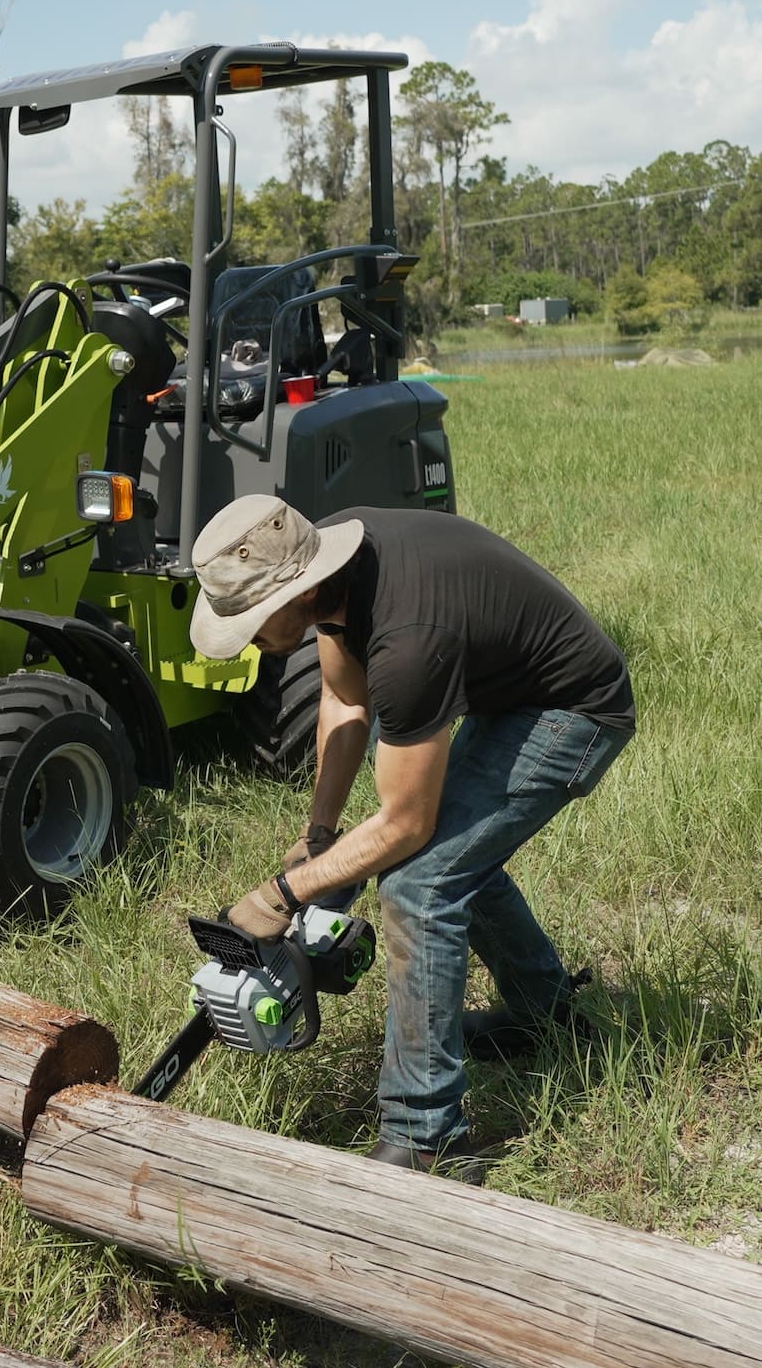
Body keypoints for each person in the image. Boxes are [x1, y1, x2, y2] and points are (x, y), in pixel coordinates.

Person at [189, 495, 635, 1182]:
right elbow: (344, 700)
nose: (246, 640)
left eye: (250, 622)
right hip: (506, 693)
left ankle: (427, 1137)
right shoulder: (323, 561)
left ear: (297, 592)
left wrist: (283, 894)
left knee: (421, 882)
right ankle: (544, 1015)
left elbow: (406, 824)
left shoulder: (407, 640)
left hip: (573, 710)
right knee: (451, 857)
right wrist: (320, 836)